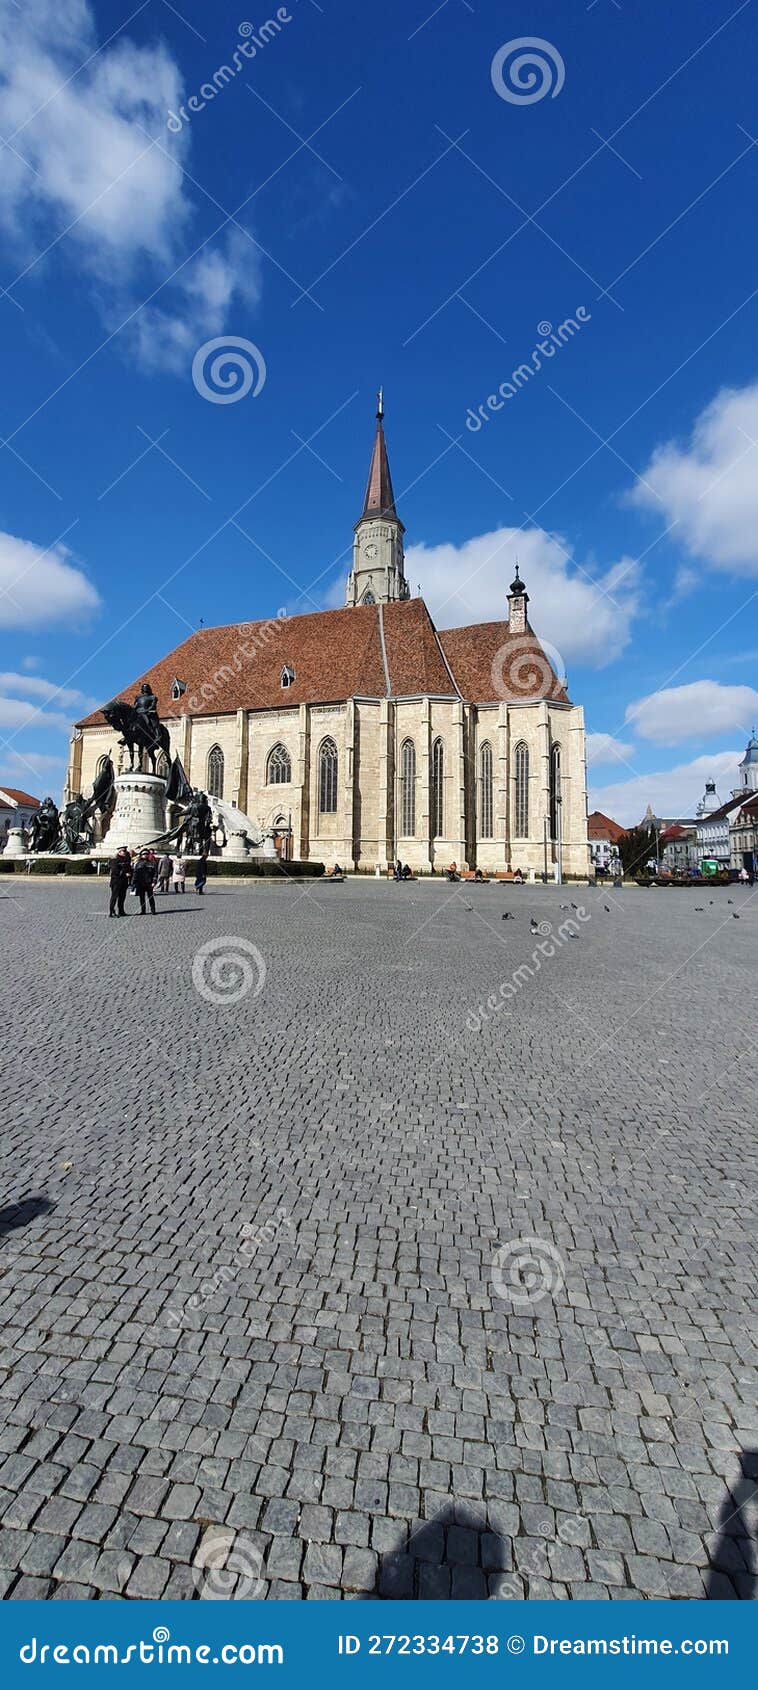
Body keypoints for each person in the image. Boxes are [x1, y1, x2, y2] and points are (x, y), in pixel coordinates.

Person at [132, 849, 157, 914]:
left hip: (149, 882)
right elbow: (135, 873)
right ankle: (143, 910)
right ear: (141, 855)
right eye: (144, 854)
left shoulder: (152, 863)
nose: (145, 855)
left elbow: (155, 873)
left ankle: (153, 910)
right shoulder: (138, 863)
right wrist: (134, 882)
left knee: (150, 897)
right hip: (140, 882)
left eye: (146, 854)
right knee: (141, 897)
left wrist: (154, 881)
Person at [108, 847, 132, 917]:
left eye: (125, 851)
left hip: (124, 882)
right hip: (116, 881)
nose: (125, 852)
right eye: (123, 851)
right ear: (119, 852)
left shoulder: (127, 860)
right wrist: (125, 874)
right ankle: (111, 911)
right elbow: (115, 871)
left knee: (122, 897)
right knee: (114, 897)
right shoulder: (114, 860)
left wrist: (130, 873)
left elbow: (129, 868)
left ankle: (121, 911)